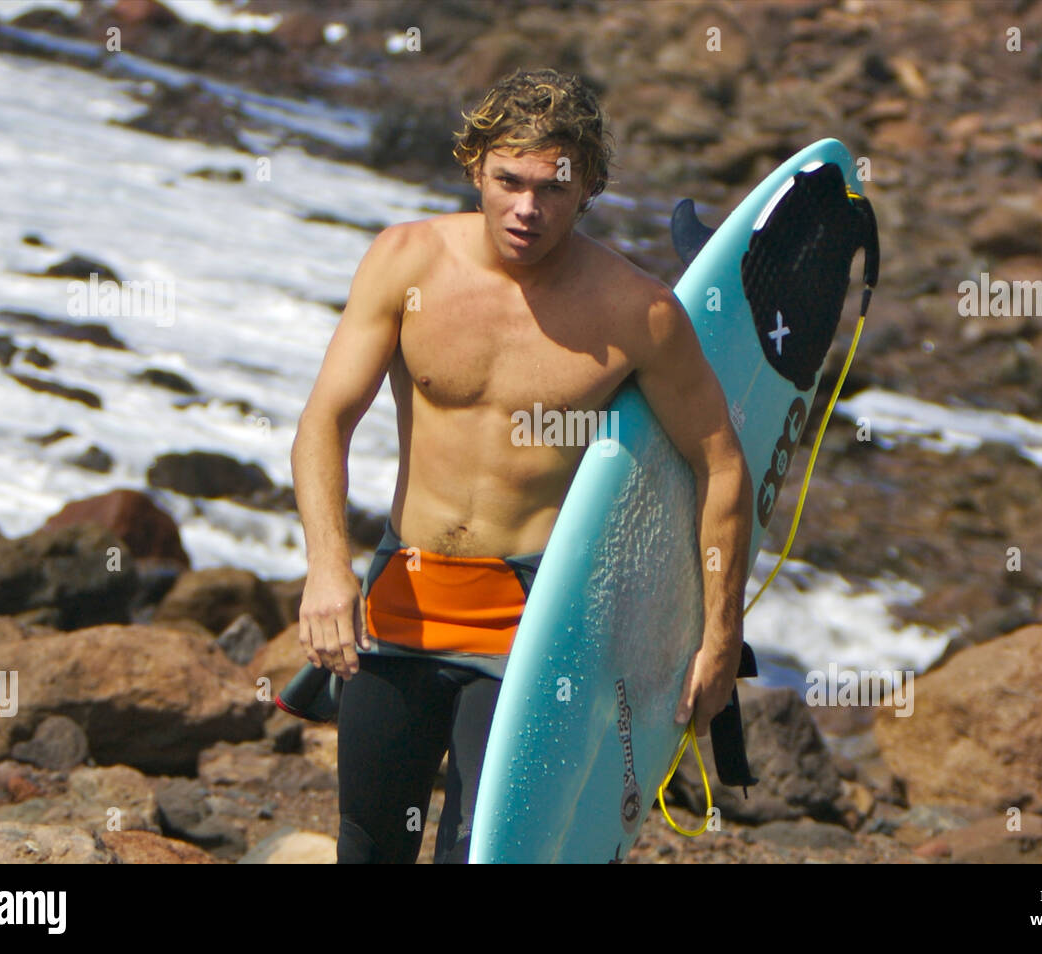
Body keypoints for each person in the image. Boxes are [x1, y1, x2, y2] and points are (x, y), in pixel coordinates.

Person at [291, 68, 752, 864]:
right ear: (475, 168)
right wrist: (327, 568)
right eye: (509, 181)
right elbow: (324, 421)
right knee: (367, 847)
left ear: (590, 189)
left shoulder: (637, 313)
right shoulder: (406, 263)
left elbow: (721, 466)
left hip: (531, 628)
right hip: (401, 600)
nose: (527, 209)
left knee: (486, 855)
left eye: (553, 187)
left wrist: (719, 634)